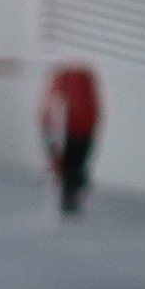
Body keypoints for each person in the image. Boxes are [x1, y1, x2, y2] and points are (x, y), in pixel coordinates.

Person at [42, 58, 103, 217]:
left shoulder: (68, 81)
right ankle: (72, 188)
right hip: (80, 123)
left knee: (68, 162)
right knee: (72, 162)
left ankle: (70, 188)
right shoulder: (76, 80)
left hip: (75, 124)